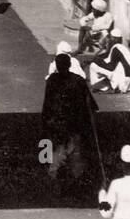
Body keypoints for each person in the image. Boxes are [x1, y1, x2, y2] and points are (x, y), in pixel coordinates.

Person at [42, 52, 98, 186]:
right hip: (74, 124)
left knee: (57, 153)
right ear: (70, 65)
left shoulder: (52, 80)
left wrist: (45, 121)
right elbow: (91, 105)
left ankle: (53, 178)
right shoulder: (79, 80)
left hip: (58, 124)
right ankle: (76, 181)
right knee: (75, 153)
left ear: (56, 66)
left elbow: (47, 104)